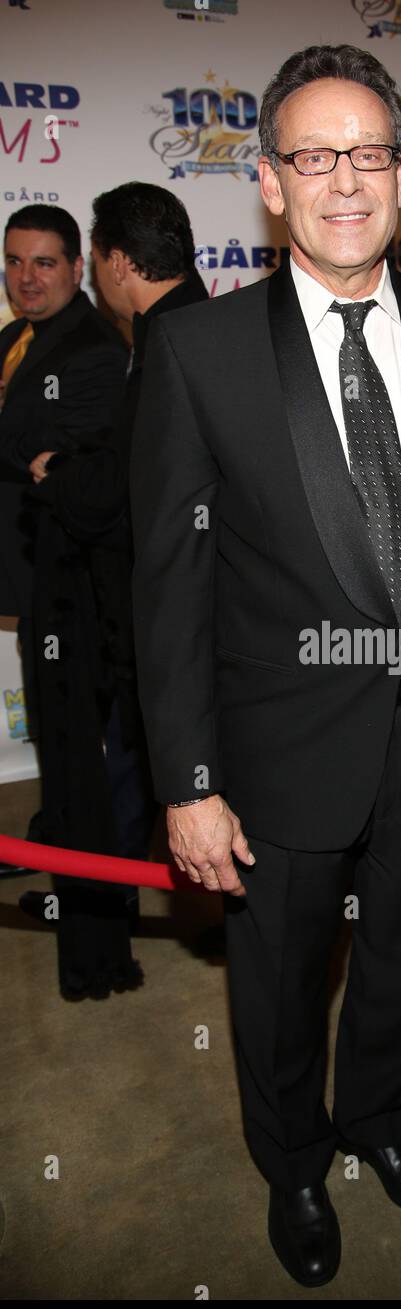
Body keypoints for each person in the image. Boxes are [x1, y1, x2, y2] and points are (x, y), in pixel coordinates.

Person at [131, 43, 401, 1286]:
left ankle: (378, 1126)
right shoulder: (198, 356)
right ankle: (297, 1165)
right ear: (268, 181)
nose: (346, 182)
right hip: (270, 758)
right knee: (274, 992)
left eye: (369, 153)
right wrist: (189, 778)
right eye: (314, 157)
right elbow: (168, 588)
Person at [21, 185, 208, 1000]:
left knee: (172, 772)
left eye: (85, 255)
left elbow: (122, 489)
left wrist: (56, 471)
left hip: (170, 612)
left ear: (117, 260)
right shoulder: (173, 332)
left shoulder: (168, 345)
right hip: (160, 610)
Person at [0, 205, 127, 876]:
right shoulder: (17, 339)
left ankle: (86, 870)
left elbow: (77, 463)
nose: (26, 277)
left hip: (75, 582)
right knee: (55, 727)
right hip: (33, 573)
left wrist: (24, 450)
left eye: (43, 263)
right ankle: (56, 835)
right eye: (14, 262)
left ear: (79, 269)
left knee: (77, 734)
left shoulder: (95, 350)